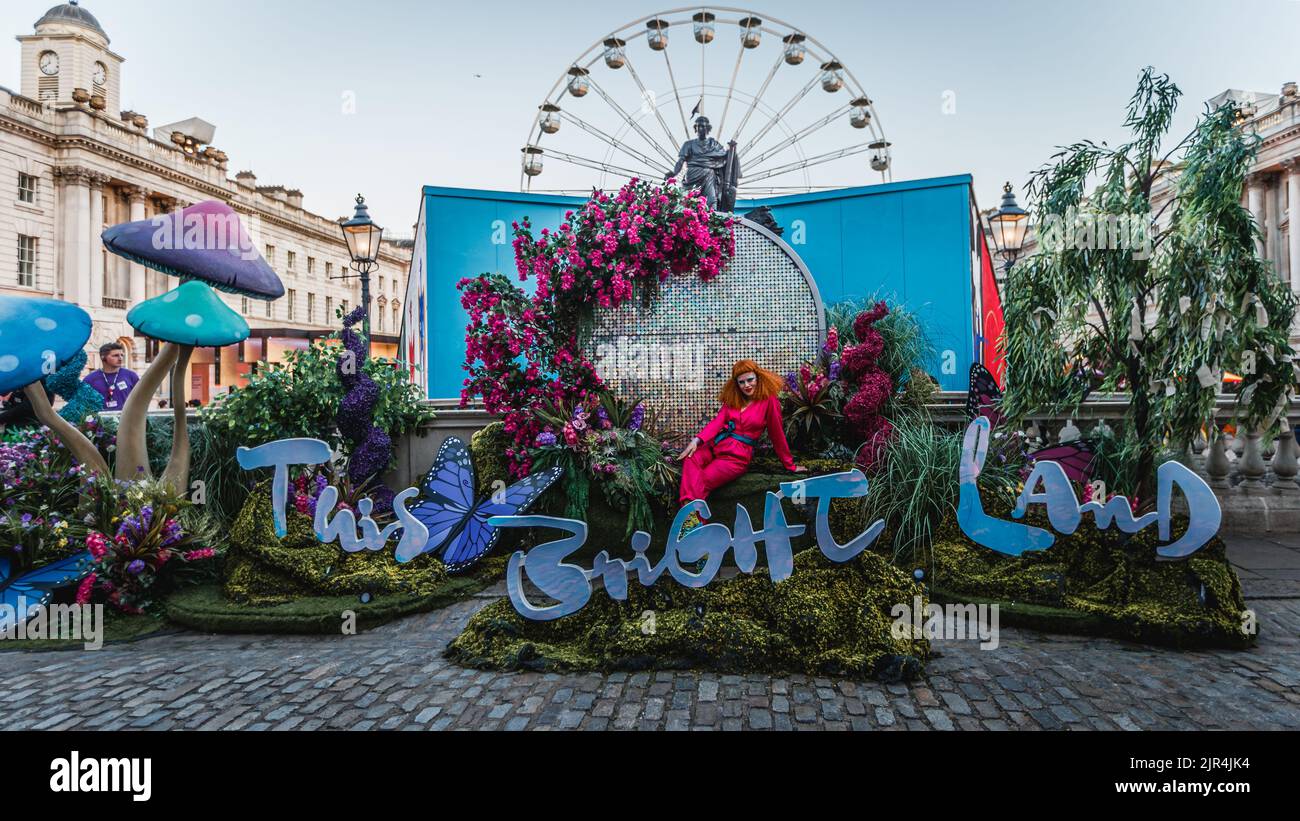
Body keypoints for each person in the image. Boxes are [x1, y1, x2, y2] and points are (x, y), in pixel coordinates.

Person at [677, 359, 806, 512]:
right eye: (742, 382)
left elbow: (777, 434)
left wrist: (789, 465)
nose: (747, 385)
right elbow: (717, 422)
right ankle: (689, 516)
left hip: (736, 457)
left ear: (758, 377)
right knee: (691, 457)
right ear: (736, 384)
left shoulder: (769, 401)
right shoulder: (733, 400)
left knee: (702, 480)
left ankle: (691, 520)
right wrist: (697, 441)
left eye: (750, 380)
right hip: (716, 445)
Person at [83, 342, 140, 411]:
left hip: (126, 420)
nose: (120, 358)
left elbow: (141, 399)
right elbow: (83, 404)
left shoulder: (131, 376)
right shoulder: (90, 379)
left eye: (122, 355)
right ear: (103, 357)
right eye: (115, 355)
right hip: (100, 420)